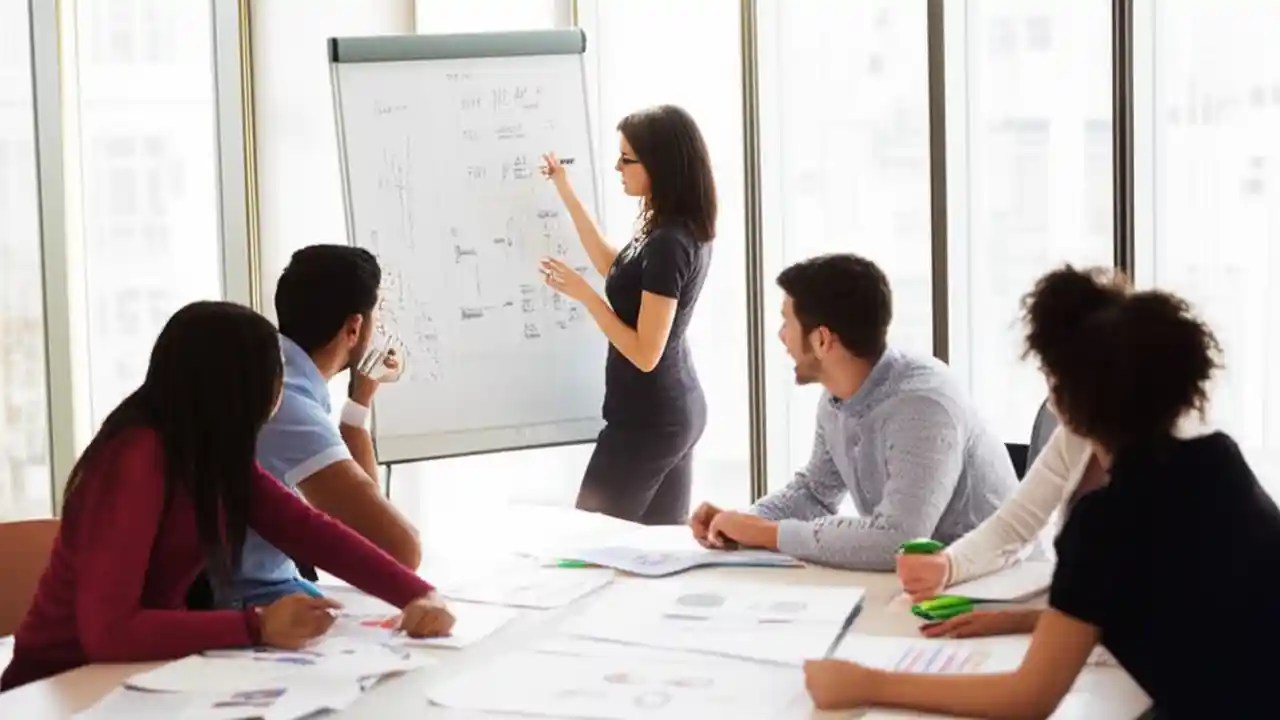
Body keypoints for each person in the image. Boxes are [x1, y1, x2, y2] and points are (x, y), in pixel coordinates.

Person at [804, 266, 1280, 716]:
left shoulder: (1106, 520)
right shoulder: (1219, 461)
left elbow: (1028, 698)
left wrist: (868, 683)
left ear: (1068, 397)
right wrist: (1035, 621)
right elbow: (1192, 612)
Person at [1, 302, 453, 692]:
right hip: (62, 685)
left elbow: (311, 532)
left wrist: (418, 594)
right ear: (235, 389)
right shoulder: (137, 458)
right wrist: (257, 626)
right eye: (274, 377)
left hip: (143, 675)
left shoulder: (212, 454)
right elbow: (109, 632)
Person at [689, 254, 1017, 570]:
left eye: (786, 322)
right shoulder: (837, 398)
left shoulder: (923, 407)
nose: (781, 336)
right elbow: (815, 493)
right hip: (923, 580)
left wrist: (766, 533)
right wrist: (739, 525)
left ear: (822, 340)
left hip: (990, 584)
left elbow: (899, 540)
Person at [539, 104, 716, 525]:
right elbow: (611, 265)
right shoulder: (669, 229)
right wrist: (565, 190)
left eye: (627, 158)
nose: (617, 167)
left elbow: (645, 352)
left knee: (589, 544)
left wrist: (586, 297)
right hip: (670, 413)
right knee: (654, 555)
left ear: (659, 164)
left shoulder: (669, 243)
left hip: (649, 421)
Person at [219, 245, 422, 608]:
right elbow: (393, 551)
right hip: (250, 601)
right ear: (354, 328)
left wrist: (359, 403)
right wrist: (359, 411)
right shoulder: (291, 407)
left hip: (246, 588)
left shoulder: (268, 373)